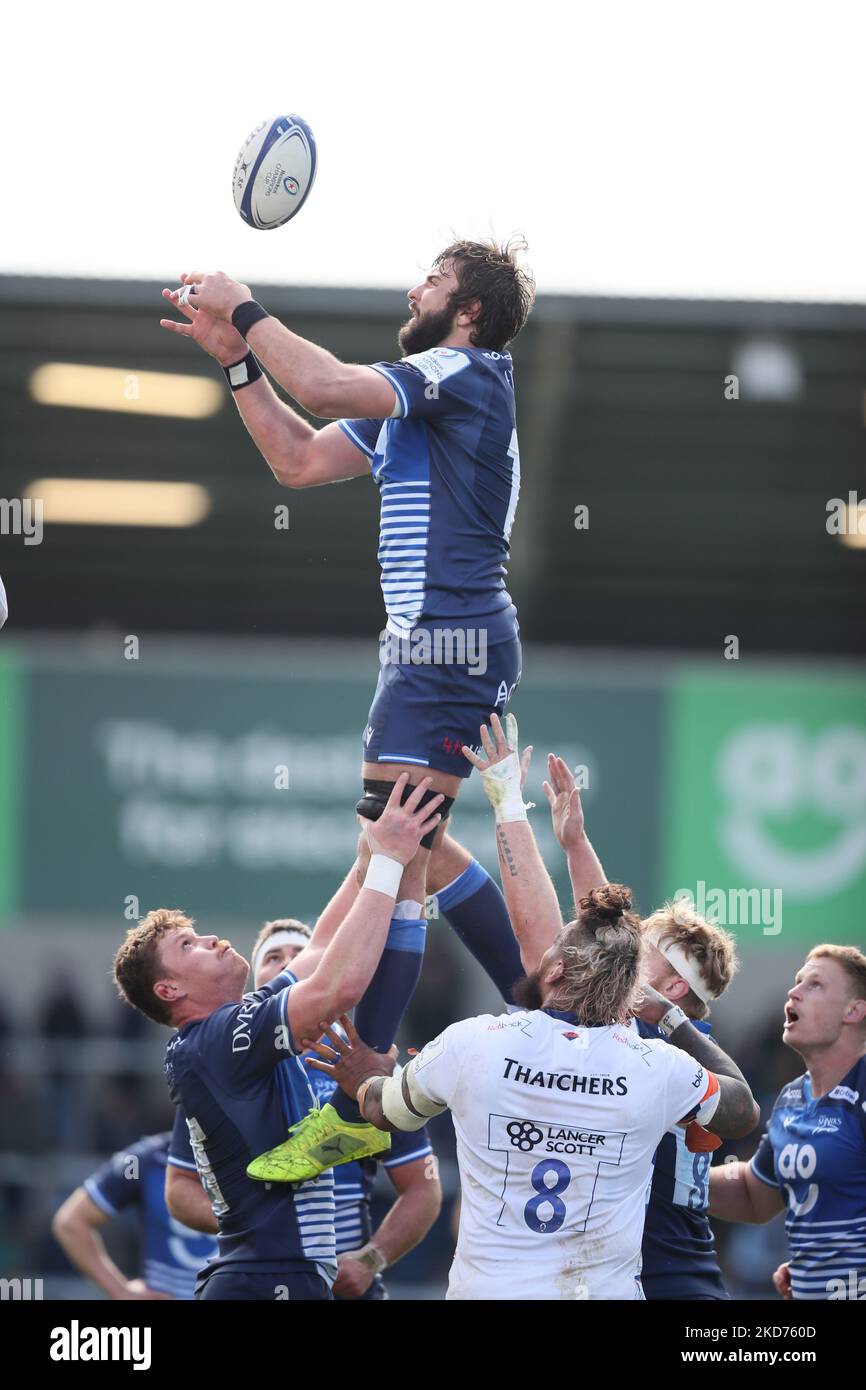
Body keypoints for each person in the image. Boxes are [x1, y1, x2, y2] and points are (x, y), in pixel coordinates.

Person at [159, 242, 534, 1177]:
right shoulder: (417, 397)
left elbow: (323, 385)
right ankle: (533, 991)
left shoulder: (462, 372)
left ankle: (359, 1101)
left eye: (434, 283)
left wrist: (247, 308)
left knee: (392, 848)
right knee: (408, 845)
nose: (414, 289)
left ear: (470, 311)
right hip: (429, 646)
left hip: (446, 641)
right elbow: (295, 455)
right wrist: (240, 364)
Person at [305, 876, 759, 1300]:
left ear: (557, 970)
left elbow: (385, 1112)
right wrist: (673, 1018)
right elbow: (742, 1112)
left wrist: (362, 1076)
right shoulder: (657, 1067)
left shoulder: (474, 1042)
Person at [113, 776, 442, 1301]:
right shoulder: (220, 1037)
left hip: (272, 1276)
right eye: (189, 944)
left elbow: (326, 946)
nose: (212, 938)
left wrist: (375, 851)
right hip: (265, 1281)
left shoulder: (235, 1024)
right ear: (169, 988)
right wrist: (387, 860)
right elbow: (340, 984)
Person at [542, 751, 740, 1299]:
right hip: (672, 1260)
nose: (623, 955)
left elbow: (603, 932)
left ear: (673, 987)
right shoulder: (687, 1041)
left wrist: (577, 848)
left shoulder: (656, 1035)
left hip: (660, 1270)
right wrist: (575, 845)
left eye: (642, 952)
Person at [709, 944, 866, 1300]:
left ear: (854, 1010)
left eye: (815, 985)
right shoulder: (793, 1097)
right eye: (797, 982)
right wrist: (665, 1173)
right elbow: (753, 1194)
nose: (793, 992)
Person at [52, 1133, 217, 1300]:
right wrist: (119, 1291)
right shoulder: (144, 1161)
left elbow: (70, 1222)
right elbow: (71, 1222)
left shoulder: (148, 1158)